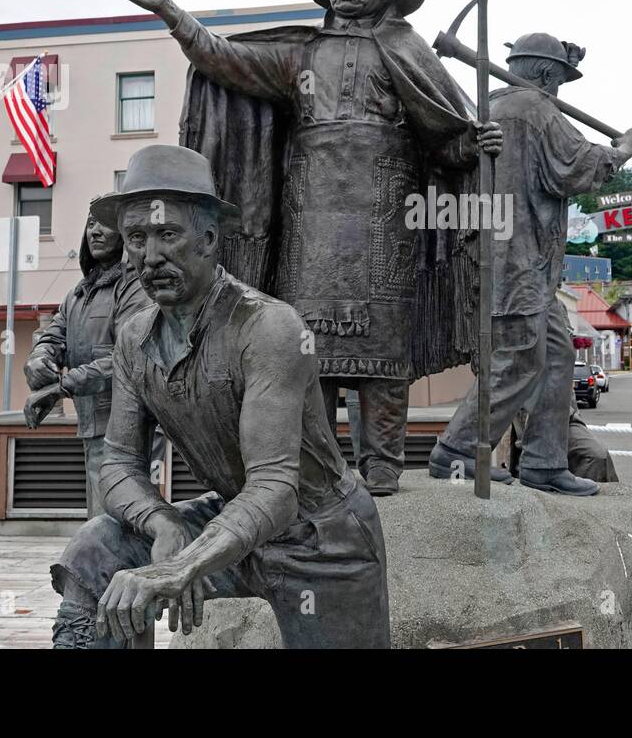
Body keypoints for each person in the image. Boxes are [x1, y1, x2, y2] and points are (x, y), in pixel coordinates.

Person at [112, 0, 502, 497]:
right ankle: (318, 466)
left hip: (383, 227)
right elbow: (223, 58)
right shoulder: (301, 54)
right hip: (309, 230)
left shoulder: (406, 49)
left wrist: (471, 146)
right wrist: (170, 11)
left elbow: (444, 139)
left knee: (382, 353)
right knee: (305, 348)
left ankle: (381, 466)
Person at [49, 146, 389, 649]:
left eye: (168, 234)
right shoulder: (133, 338)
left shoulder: (269, 327)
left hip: (320, 537)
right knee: (98, 549)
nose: (151, 255)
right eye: (137, 237)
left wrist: (184, 567)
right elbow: (118, 462)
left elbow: (275, 485)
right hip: (230, 522)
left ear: (209, 239)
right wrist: (163, 525)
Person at [429, 33, 632, 495]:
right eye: (561, 80)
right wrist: (622, 150)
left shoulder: (490, 107)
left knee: (556, 354)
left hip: (519, 263)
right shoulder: (533, 108)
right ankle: (459, 448)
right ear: (548, 74)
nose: (560, 89)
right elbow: (576, 166)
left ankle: (545, 461)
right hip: (517, 261)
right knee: (519, 358)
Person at [23, 199, 153, 517]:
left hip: (125, 424)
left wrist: (62, 386)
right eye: (91, 223)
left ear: (125, 233)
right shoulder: (78, 294)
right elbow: (52, 338)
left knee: (115, 517)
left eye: (104, 223)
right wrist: (39, 361)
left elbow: (126, 358)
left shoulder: (135, 287)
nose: (95, 231)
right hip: (90, 422)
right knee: (100, 517)